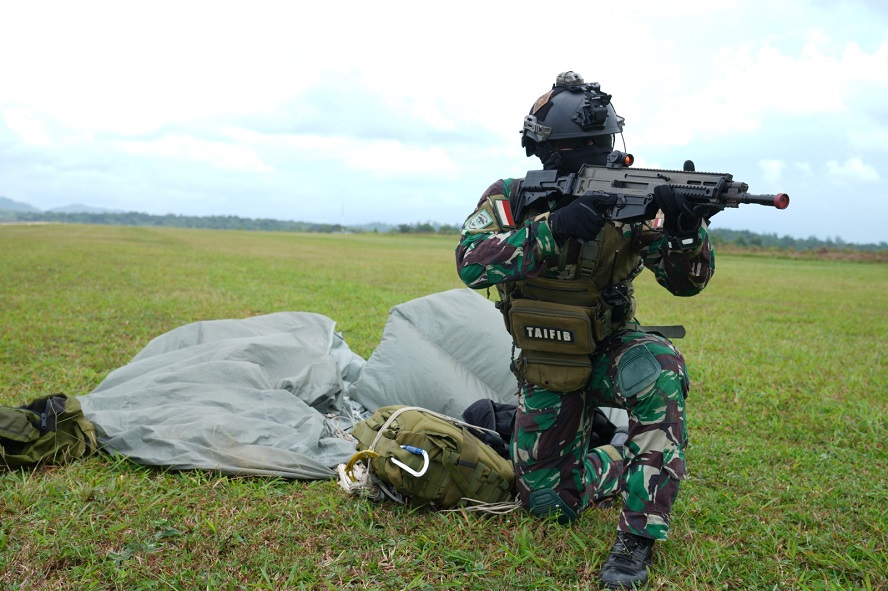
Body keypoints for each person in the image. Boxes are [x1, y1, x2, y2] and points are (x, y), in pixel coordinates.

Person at [455, 71, 720, 589]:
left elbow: (688, 284)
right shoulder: (510, 196)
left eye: (603, 145)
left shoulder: (634, 199)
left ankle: (636, 539)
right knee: (548, 507)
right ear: (550, 153)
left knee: (659, 369)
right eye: (585, 148)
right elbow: (471, 263)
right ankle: (620, 451)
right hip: (546, 364)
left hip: (610, 350)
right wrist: (556, 227)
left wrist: (686, 233)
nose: (599, 155)